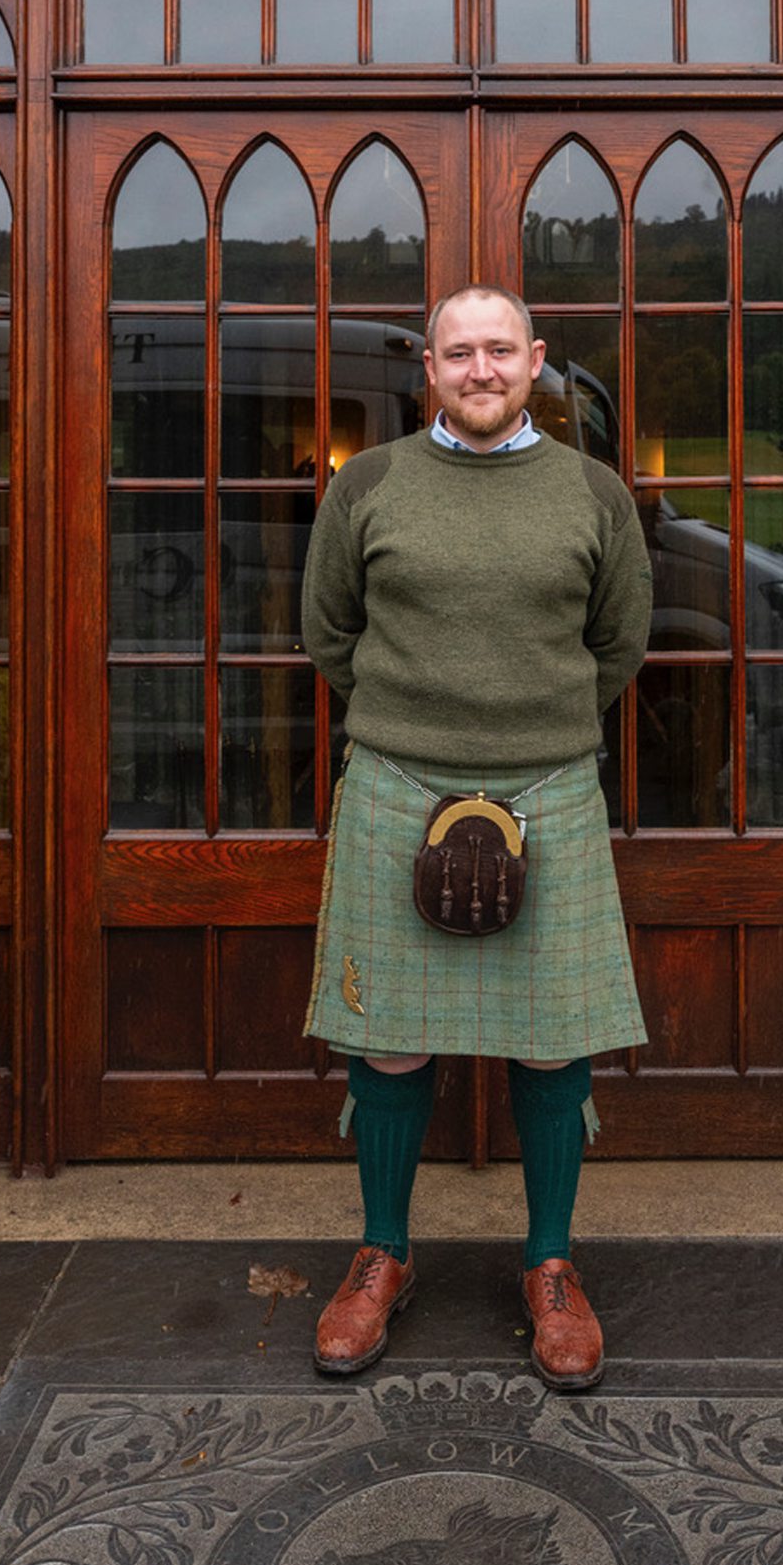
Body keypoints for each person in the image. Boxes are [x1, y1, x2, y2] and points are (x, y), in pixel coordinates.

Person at [300, 286, 651, 1390]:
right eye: (461, 353)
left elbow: (619, 643)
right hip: (399, 782)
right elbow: (330, 631)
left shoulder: (593, 493)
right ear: (431, 367)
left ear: (536, 360)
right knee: (391, 1037)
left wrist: (529, 727)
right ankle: (383, 1253)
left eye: (502, 350)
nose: (483, 369)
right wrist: (419, 723)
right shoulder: (371, 484)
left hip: (548, 789)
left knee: (553, 1039)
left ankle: (550, 1265)